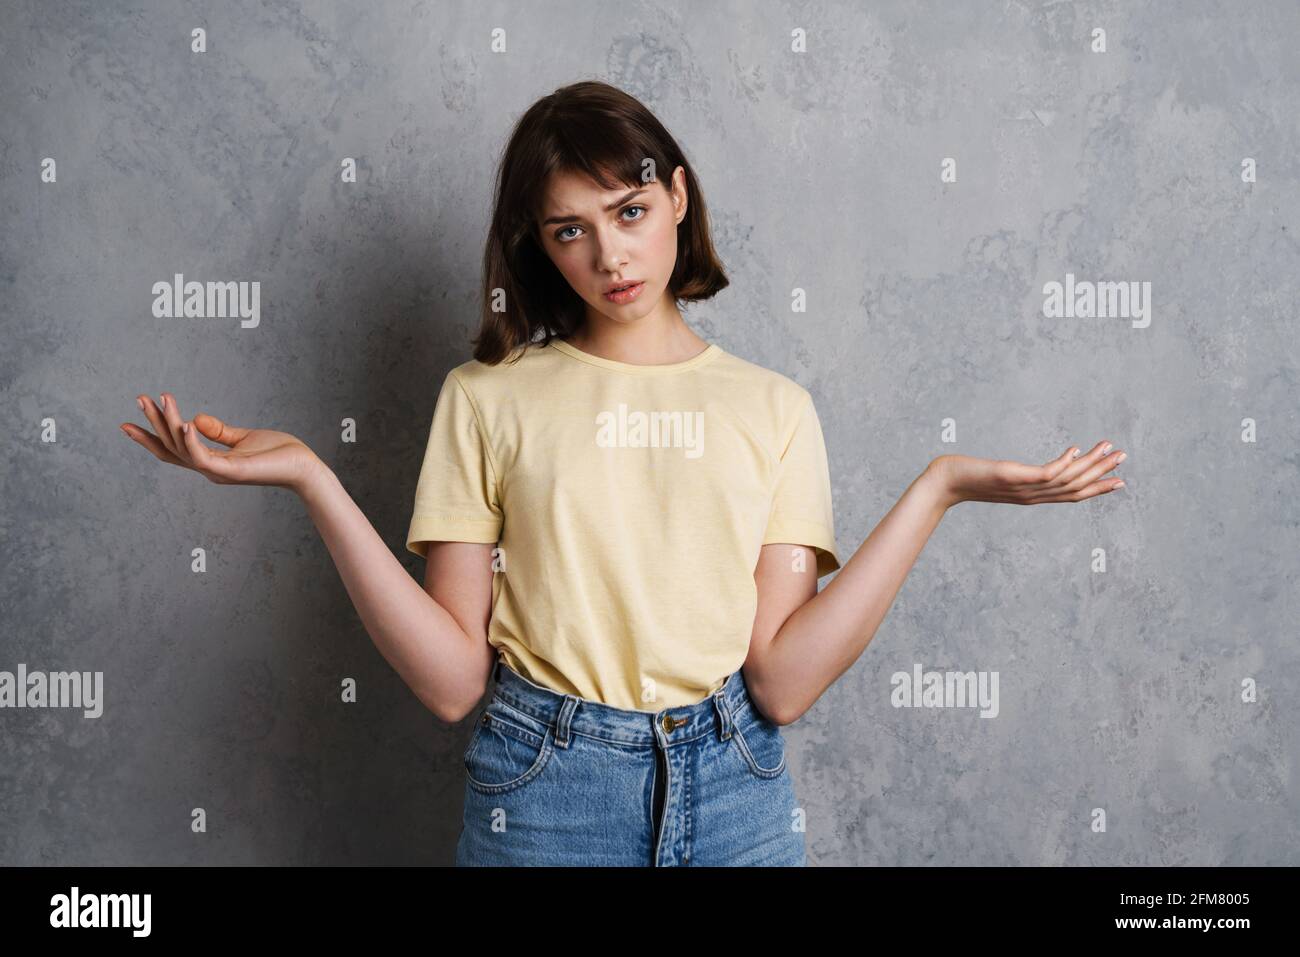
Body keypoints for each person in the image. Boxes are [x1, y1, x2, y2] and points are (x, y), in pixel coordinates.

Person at [121, 80, 1128, 867]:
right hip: (548, 792)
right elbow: (449, 679)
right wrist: (311, 479)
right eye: (570, 229)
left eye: (630, 209)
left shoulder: (773, 409)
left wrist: (938, 487)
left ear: (677, 197)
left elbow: (780, 680)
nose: (610, 253)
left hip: (736, 788)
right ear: (540, 247)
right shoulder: (488, 399)